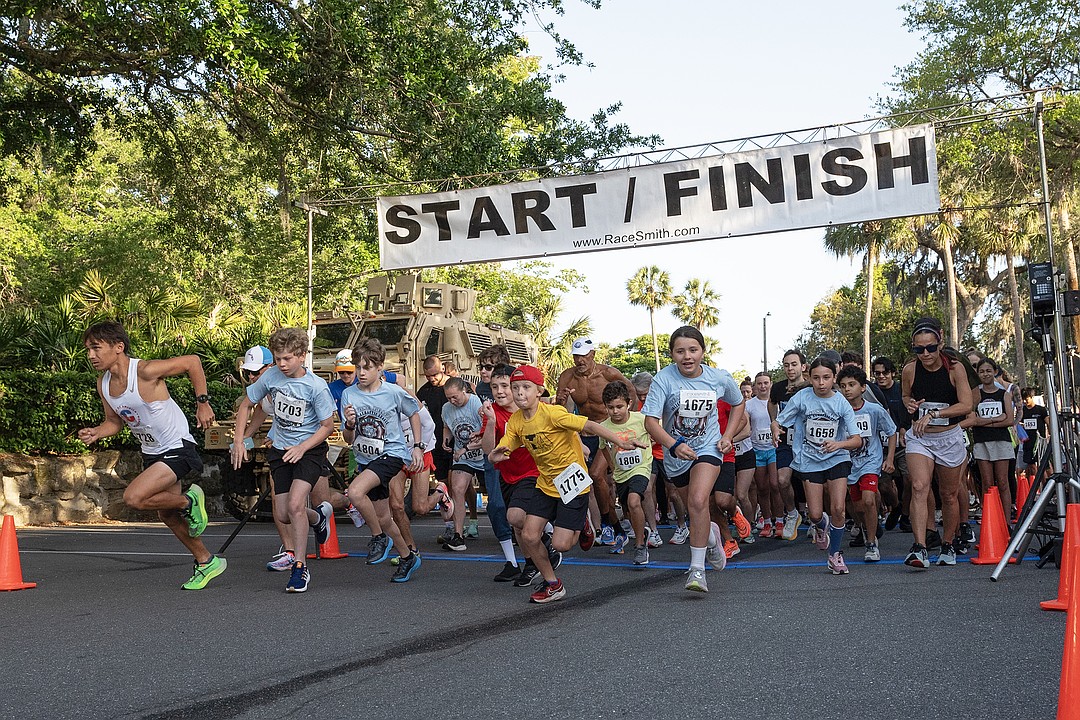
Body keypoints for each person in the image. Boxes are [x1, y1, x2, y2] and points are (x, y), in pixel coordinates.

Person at [79, 321, 225, 590]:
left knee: (133, 498)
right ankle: (206, 561)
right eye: (88, 349)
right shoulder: (104, 383)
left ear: (118, 347)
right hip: (152, 453)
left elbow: (192, 362)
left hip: (177, 446)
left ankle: (189, 500)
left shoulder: (145, 371)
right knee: (167, 515)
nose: (91, 355)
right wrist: (97, 432)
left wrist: (203, 403)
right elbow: (114, 422)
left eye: (96, 348)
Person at [490, 365, 644, 603]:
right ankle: (553, 584)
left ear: (539, 391)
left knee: (561, 545)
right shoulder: (517, 421)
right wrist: (498, 453)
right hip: (545, 483)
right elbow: (507, 442)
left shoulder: (554, 414)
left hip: (572, 482)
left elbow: (589, 426)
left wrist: (620, 442)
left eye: (526, 387)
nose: (520, 393)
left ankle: (583, 523)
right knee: (529, 535)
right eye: (515, 387)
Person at [232, 328, 335, 593]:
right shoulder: (271, 377)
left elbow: (327, 426)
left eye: (287, 358)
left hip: (309, 450)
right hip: (280, 450)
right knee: (283, 514)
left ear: (302, 356)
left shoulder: (316, 387)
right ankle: (318, 518)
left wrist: (302, 447)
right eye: (278, 359)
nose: (282, 364)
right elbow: (246, 405)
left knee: (295, 505)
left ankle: (300, 568)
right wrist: (239, 440)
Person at [642, 326, 743, 593]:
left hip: (709, 447)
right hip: (677, 454)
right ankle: (711, 538)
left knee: (699, 500)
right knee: (694, 509)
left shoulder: (718, 377)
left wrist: (727, 435)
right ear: (672, 354)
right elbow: (650, 422)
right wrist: (674, 445)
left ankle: (697, 570)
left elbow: (738, 403)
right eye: (680, 351)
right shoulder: (663, 379)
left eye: (693, 350)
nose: (687, 356)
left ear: (703, 351)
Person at [340, 338, 425, 582]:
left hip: (391, 454)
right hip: (366, 457)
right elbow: (348, 438)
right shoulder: (348, 394)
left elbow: (415, 413)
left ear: (380, 368)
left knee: (355, 492)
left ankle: (378, 537)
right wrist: (350, 424)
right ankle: (408, 557)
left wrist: (417, 447)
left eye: (367, 368)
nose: (361, 373)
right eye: (358, 367)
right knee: (384, 518)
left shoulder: (393, 392)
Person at [772, 356, 862, 574]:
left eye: (826, 378)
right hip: (810, 460)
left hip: (837, 458)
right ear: (809, 378)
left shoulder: (841, 402)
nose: (821, 383)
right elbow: (779, 421)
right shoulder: (802, 398)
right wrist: (775, 428)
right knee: (814, 514)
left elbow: (857, 440)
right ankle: (821, 526)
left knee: (838, 508)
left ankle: (835, 555)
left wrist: (838, 444)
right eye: (816, 378)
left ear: (834, 378)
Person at [901, 317, 974, 568]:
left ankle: (948, 543)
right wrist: (910, 404)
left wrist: (935, 414)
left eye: (930, 348)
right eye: (919, 349)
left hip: (949, 436)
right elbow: (905, 395)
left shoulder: (955, 368)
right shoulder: (910, 369)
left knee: (948, 494)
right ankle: (919, 547)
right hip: (920, 437)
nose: (925, 354)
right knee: (919, 486)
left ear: (940, 343)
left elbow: (966, 405)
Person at [480, 363, 562, 585]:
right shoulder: (492, 413)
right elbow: (488, 450)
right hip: (508, 474)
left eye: (505, 386)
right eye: (494, 387)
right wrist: (491, 423)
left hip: (534, 472)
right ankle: (532, 562)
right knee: (518, 526)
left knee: (515, 516)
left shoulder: (533, 408)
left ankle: (547, 542)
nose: (500, 391)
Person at [555, 337, 638, 545]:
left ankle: (616, 523)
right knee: (593, 482)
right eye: (576, 356)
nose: (580, 360)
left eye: (584, 355)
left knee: (599, 476)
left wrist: (629, 423)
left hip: (608, 431)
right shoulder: (567, 377)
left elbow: (631, 392)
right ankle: (610, 525)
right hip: (585, 433)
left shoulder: (608, 373)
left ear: (592, 354)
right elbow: (560, 409)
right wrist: (561, 401)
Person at [837, 365, 896, 563]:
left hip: (871, 461)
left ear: (863, 387)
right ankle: (867, 527)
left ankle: (871, 543)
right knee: (858, 506)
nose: (847, 389)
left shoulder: (874, 410)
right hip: (849, 463)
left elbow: (891, 432)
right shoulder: (838, 413)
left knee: (869, 499)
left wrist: (889, 458)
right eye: (843, 386)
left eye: (852, 384)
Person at [599, 381, 653, 566]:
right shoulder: (604, 426)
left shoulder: (641, 419)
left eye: (619, 406)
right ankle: (641, 532)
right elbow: (603, 447)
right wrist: (612, 467)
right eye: (610, 407)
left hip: (641, 467)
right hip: (621, 473)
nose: (615, 411)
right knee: (629, 510)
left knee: (634, 501)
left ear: (629, 404)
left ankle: (640, 547)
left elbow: (657, 430)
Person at [473, 345, 516, 567]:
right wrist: (484, 430)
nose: (483, 371)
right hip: (496, 455)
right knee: (496, 505)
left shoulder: (521, 390)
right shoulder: (481, 388)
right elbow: (488, 445)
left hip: (521, 457)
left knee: (527, 507)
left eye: (488, 367)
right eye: (481, 367)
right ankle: (511, 560)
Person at [969, 357, 1015, 530]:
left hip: (1001, 441)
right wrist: (996, 419)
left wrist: (985, 421)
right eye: (981, 371)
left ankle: (1006, 523)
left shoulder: (1004, 394)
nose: (985, 374)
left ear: (995, 372)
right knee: (987, 483)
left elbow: (1009, 420)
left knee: (1002, 481)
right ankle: (989, 521)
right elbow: (973, 420)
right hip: (981, 442)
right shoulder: (975, 395)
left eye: (988, 370)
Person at [440, 377, 486, 551]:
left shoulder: (476, 404)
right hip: (463, 456)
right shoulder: (446, 408)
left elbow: (486, 434)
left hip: (483, 454)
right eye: (448, 398)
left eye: (455, 397)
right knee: (457, 489)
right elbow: (447, 426)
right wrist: (446, 439)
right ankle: (458, 536)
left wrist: (465, 448)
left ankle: (511, 530)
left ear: (464, 391)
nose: (452, 401)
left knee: (495, 495)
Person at [768, 349, 807, 540]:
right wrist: (774, 423)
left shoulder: (810, 387)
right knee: (782, 480)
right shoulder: (778, 388)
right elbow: (771, 403)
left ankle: (817, 518)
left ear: (803, 366)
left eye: (794, 364)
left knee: (810, 482)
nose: (790, 368)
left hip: (807, 441)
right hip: (786, 440)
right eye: (786, 365)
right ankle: (792, 514)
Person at [872, 356, 911, 532]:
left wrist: (904, 427)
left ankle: (906, 516)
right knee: (884, 485)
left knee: (910, 480)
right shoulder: (871, 392)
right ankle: (896, 507)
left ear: (893, 373)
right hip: (881, 446)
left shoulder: (901, 390)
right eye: (877, 373)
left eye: (885, 372)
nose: (881, 376)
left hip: (902, 443)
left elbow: (911, 411)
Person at [629, 372, 666, 549]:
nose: (642, 397)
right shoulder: (634, 405)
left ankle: (683, 525)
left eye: (645, 393)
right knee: (647, 489)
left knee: (674, 492)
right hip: (646, 453)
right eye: (639, 394)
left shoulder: (662, 399)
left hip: (666, 451)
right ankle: (652, 530)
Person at [747, 372, 782, 538]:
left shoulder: (777, 402)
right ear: (755, 386)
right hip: (757, 449)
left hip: (774, 448)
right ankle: (767, 522)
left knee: (775, 484)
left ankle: (780, 521)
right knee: (762, 488)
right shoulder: (749, 405)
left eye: (766, 383)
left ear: (771, 384)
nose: (763, 386)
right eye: (759, 383)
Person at [1020, 387, 1049, 480]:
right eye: (1023, 399)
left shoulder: (1041, 410)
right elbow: (1018, 424)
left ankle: (1048, 484)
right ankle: (1036, 485)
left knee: (1044, 466)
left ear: (1032, 397)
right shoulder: (1022, 411)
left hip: (1040, 443)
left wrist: (1050, 437)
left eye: (1027, 399)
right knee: (1031, 466)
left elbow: (1048, 423)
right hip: (1028, 442)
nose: (1025, 401)